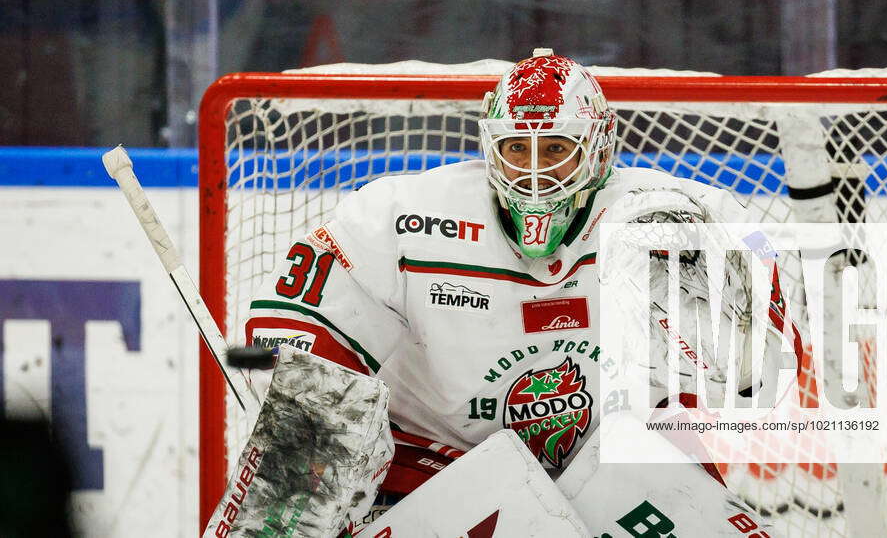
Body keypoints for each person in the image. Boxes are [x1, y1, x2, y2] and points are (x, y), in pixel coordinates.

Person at [242, 49, 800, 521]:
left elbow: (765, 375)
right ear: (492, 148)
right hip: (437, 468)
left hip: (617, 471)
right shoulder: (405, 217)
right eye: (518, 149)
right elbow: (297, 323)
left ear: (598, 150)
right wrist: (311, 411)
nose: (534, 171)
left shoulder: (682, 216)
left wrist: (737, 329)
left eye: (555, 149)